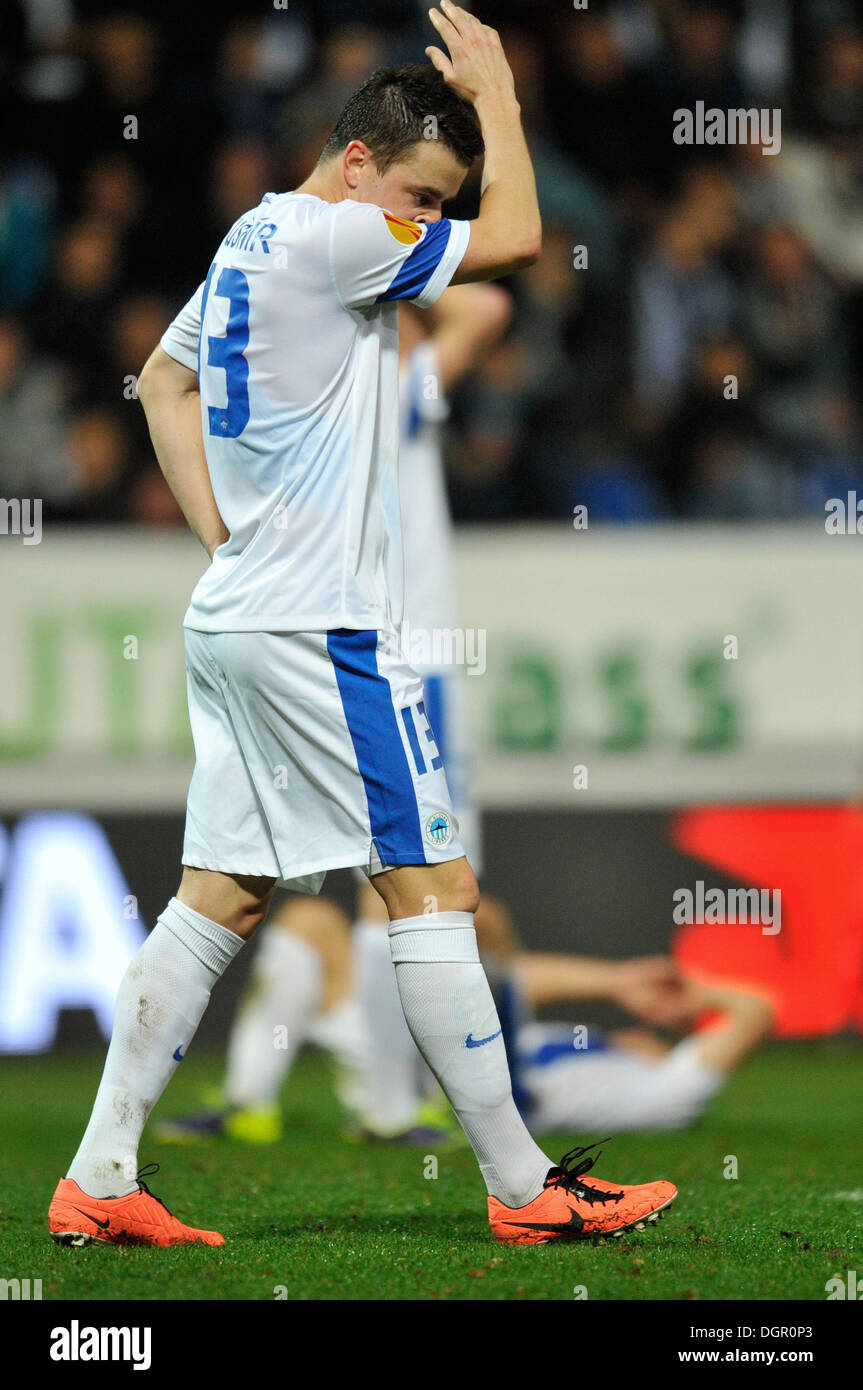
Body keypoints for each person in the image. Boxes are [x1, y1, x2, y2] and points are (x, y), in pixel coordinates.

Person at [48, 4, 674, 1249]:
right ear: (353, 164)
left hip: (236, 619)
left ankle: (98, 1178)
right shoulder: (339, 236)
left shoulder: (248, 239)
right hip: (320, 630)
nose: (429, 224)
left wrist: (219, 536)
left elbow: (164, 382)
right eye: (420, 195)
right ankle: (520, 1190)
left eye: (438, 204)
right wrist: (499, 100)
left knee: (219, 899)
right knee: (431, 884)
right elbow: (521, 239)